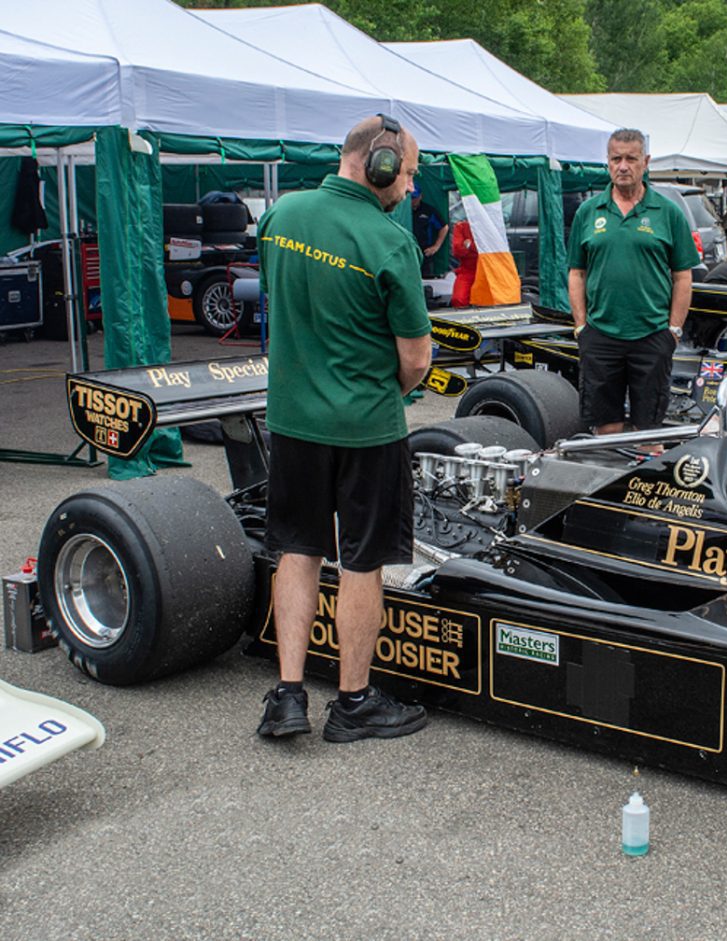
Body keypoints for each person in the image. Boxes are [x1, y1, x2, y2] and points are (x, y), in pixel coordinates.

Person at [255, 115, 434, 741]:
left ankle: (287, 696)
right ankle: (353, 703)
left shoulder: (281, 217)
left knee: (298, 551)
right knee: (362, 564)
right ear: (380, 165)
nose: (409, 188)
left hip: (294, 423)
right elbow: (416, 360)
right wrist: (381, 389)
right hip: (366, 430)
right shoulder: (390, 243)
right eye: (408, 173)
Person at [568, 128, 700, 435]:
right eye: (616, 159)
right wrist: (581, 327)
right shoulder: (589, 212)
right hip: (600, 336)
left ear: (646, 162)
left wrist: (674, 331)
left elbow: (683, 276)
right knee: (606, 431)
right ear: (608, 162)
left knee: (648, 433)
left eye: (631, 158)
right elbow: (577, 273)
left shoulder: (668, 213)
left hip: (652, 335)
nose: (623, 166)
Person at [411, 185, 448, 277]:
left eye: (415, 197)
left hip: (425, 253)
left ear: (420, 196)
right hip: (408, 252)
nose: (412, 200)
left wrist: (436, 246)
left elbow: (444, 227)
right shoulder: (401, 210)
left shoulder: (428, 211)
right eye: (410, 198)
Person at [450, 218, 478, 308]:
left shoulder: (490, 226)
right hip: (467, 270)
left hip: (487, 269)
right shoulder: (461, 227)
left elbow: (487, 249)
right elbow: (457, 251)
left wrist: (469, 246)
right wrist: (475, 248)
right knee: (458, 299)